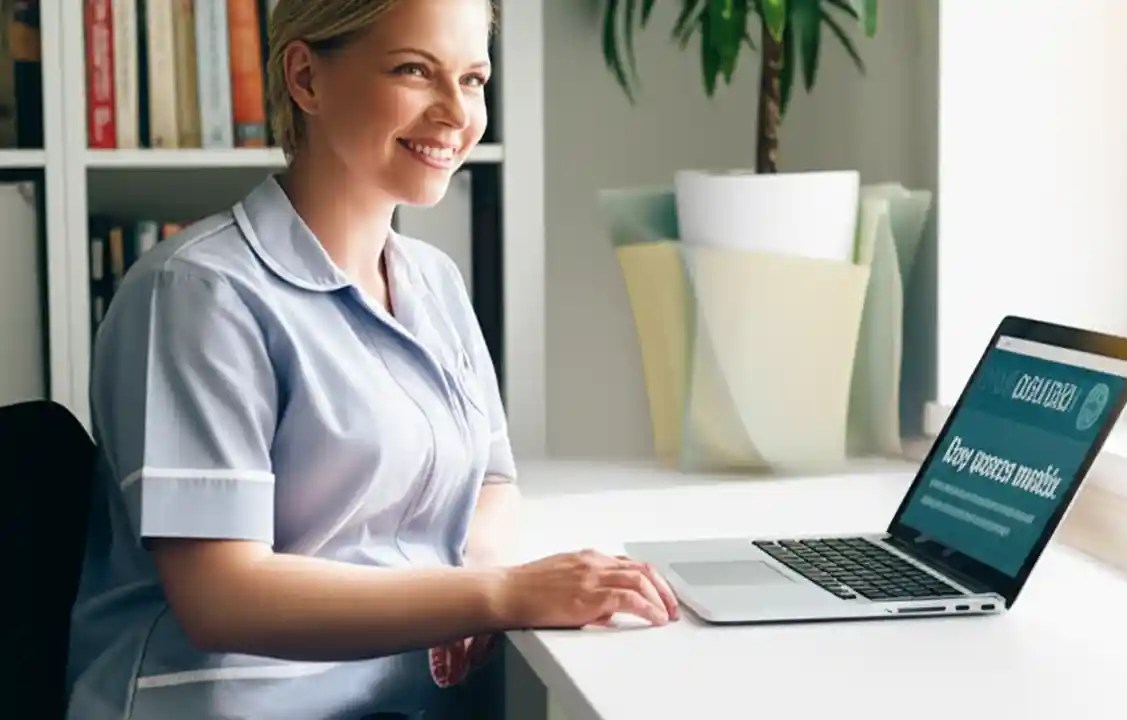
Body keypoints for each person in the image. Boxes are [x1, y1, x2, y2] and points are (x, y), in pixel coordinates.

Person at [64, 1, 679, 718]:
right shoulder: (199, 292)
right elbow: (221, 596)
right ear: (306, 78)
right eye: (415, 71)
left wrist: (472, 587)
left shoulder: (434, 283)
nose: (456, 113)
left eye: (473, 79)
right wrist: (496, 594)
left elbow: (492, 481)